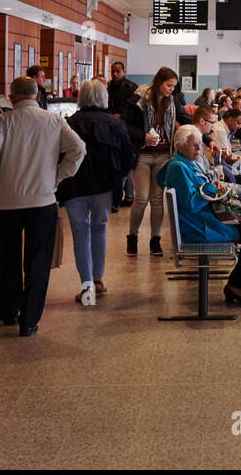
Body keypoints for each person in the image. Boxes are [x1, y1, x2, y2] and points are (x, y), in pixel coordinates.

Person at [0, 76, 85, 336]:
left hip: (9, 202)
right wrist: (59, 175)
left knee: (9, 256)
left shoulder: (4, 121)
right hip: (43, 201)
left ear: (12, 98)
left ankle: (8, 309)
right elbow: (79, 149)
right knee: (38, 261)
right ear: (37, 96)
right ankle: (29, 320)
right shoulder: (55, 120)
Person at [159, 126, 241, 305]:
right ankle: (236, 285)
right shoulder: (178, 167)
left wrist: (212, 185)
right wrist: (212, 187)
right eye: (194, 145)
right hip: (198, 227)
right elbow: (191, 204)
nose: (200, 148)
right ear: (180, 146)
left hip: (204, 219)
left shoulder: (186, 163)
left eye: (200, 144)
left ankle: (239, 283)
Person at [56, 79, 133, 306]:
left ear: (81, 98)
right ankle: (99, 279)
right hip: (104, 187)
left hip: (74, 187)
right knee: (100, 229)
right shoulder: (116, 124)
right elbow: (128, 158)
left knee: (80, 233)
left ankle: (87, 285)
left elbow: (58, 155)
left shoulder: (69, 123)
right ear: (104, 98)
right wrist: (118, 179)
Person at [122, 66, 178, 258]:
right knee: (141, 198)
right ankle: (132, 237)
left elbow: (184, 120)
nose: (171, 89)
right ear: (158, 83)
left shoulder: (171, 101)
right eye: (169, 85)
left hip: (163, 155)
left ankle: (155, 240)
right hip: (143, 155)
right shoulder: (139, 98)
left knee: (157, 199)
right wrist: (143, 136)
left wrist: (206, 137)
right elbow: (125, 125)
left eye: (173, 86)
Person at [107, 61, 138, 212]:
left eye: (118, 71)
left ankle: (126, 197)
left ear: (124, 72)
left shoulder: (132, 87)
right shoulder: (109, 86)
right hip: (112, 125)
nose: (114, 74)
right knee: (120, 164)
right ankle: (128, 196)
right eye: (113, 71)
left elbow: (135, 109)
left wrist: (122, 116)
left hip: (126, 128)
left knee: (124, 164)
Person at [211, 108, 241, 182]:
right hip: (215, 162)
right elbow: (225, 157)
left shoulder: (227, 131)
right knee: (237, 170)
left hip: (221, 161)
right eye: (238, 123)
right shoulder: (220, 130)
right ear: (230, 120)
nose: (239, 127)